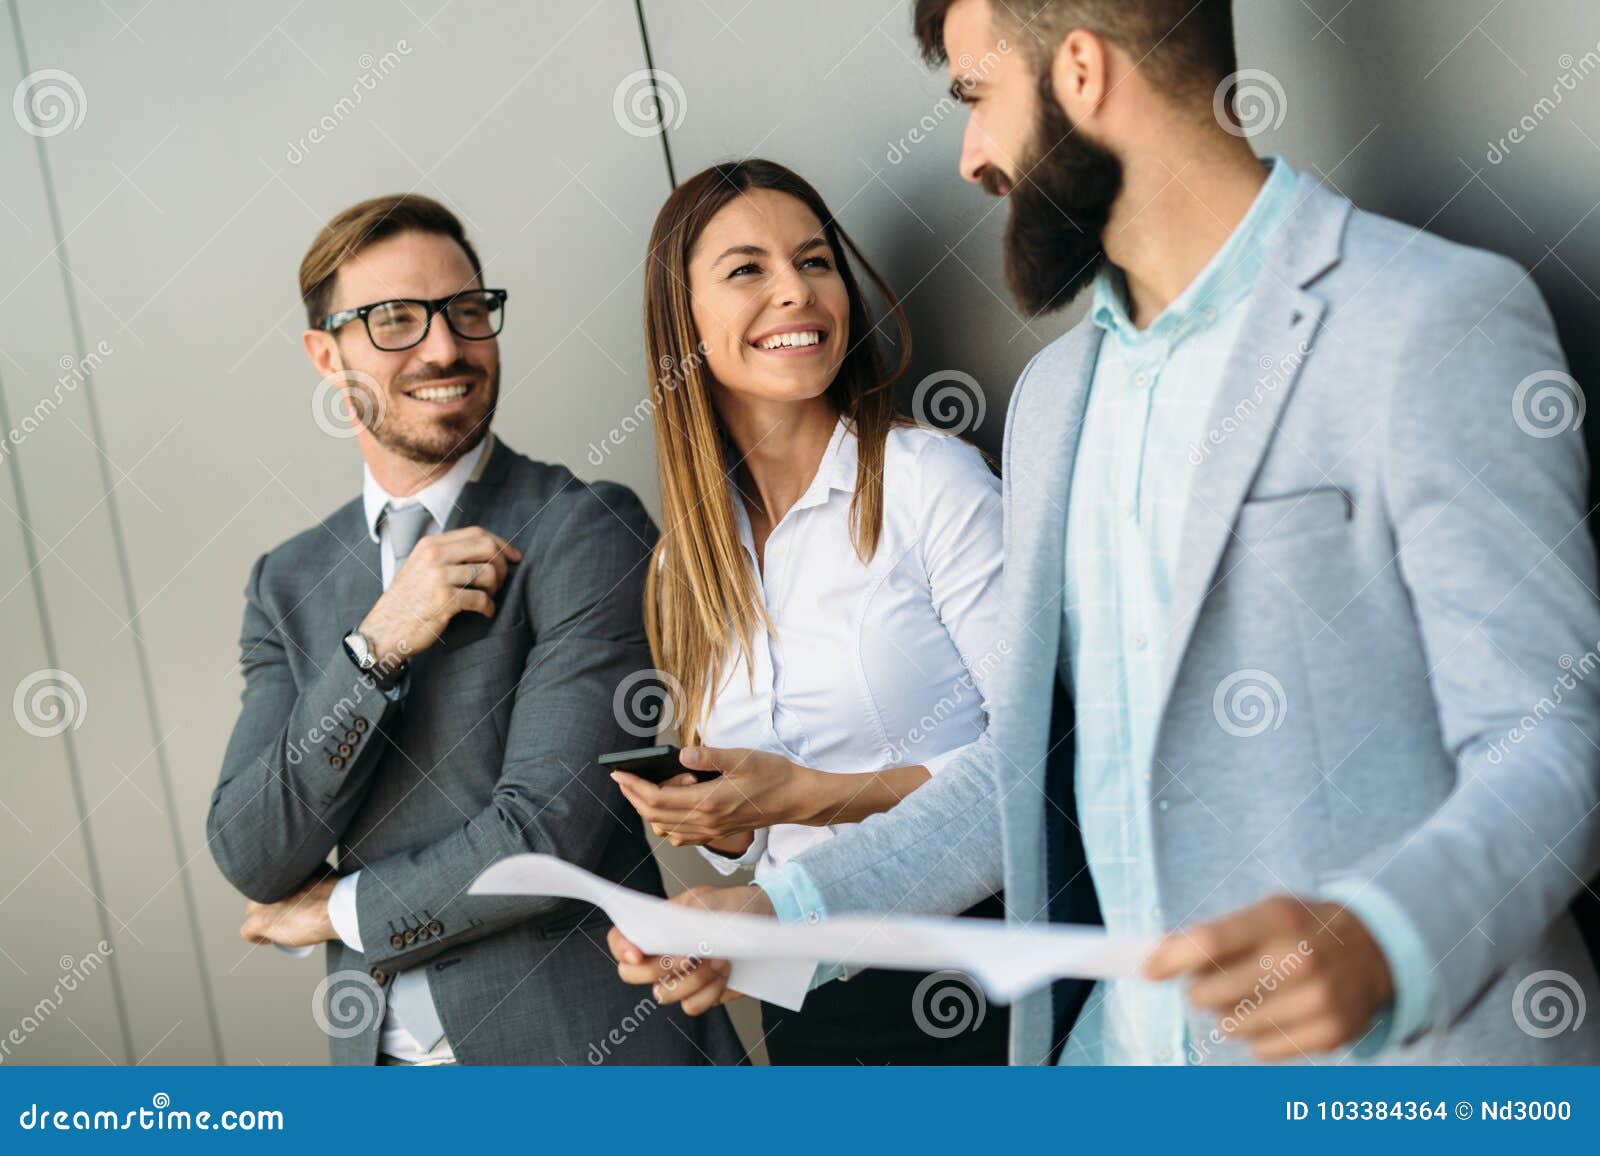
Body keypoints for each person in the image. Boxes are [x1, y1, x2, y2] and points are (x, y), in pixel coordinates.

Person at [610, 0, 1600, 1065]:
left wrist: (1387, 936)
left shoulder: (1428, 317)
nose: (970, 157)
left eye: (975, 97)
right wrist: (782, 909)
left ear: (1079, 74)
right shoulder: (1053, 402)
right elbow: (1018, 775)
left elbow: (1550, 739)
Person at [207, 193, 743, 1066]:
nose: (446, 347)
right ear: (325, 354)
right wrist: (375, 648)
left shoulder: (586, 529)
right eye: (395, 321)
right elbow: (251, 849)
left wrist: (336, 911)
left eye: (466, 311)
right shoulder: (288, 582)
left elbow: (543, 835)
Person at [609, 158, 1010, 1064]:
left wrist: (817, 798)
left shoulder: (930, 482)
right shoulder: (685, 563)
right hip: (812, 1001)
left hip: (987, 967)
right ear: (682, 324)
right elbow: (754, 855)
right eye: (747, 269)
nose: (795, 291)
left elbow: (1040, 764)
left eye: (816, 260)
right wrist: (728, 823)